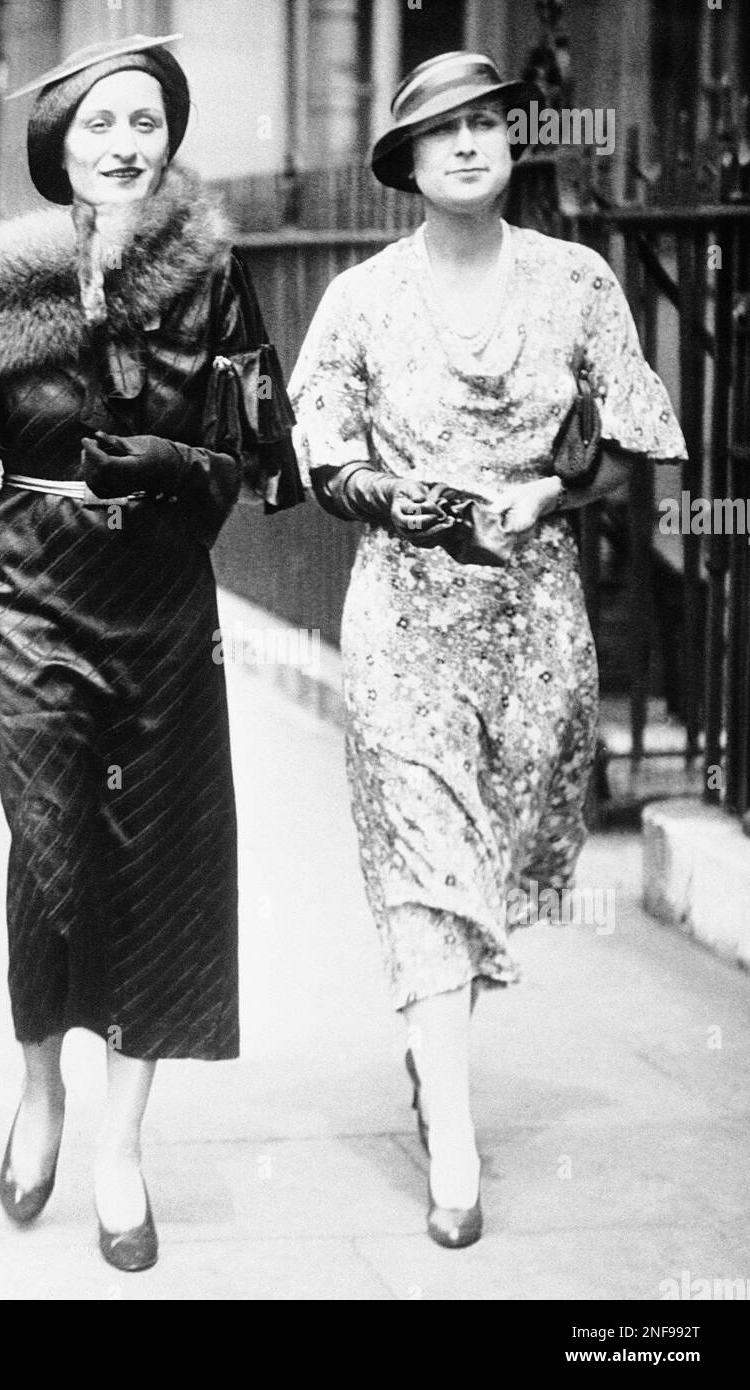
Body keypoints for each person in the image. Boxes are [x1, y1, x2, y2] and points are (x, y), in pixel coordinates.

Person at [0, 32, 300, 1272]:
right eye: (99, 126)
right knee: (51, 847)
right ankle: (40, 1089)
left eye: (146, 123)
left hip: (165, 607)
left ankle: (122, 1141)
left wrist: (179, 465)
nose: (126, 145)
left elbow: (265, 464)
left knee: (163, 870)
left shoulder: (210, 280)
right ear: (57, 147)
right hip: (32, 599)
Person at [289, 51, 685, 1249]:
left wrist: (545, 498)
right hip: (404, 619)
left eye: (488, 127)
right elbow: (317, 449)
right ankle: (453, 1146)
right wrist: (381, 495)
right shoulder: (358, 297)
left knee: (498, 867)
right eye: (441, 132)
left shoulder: (576, 281)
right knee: (427, 869)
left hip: (535, 622)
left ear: (514, 149)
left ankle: (433, 1053)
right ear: (404, 163)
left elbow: (633, 439)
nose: (467, 146)